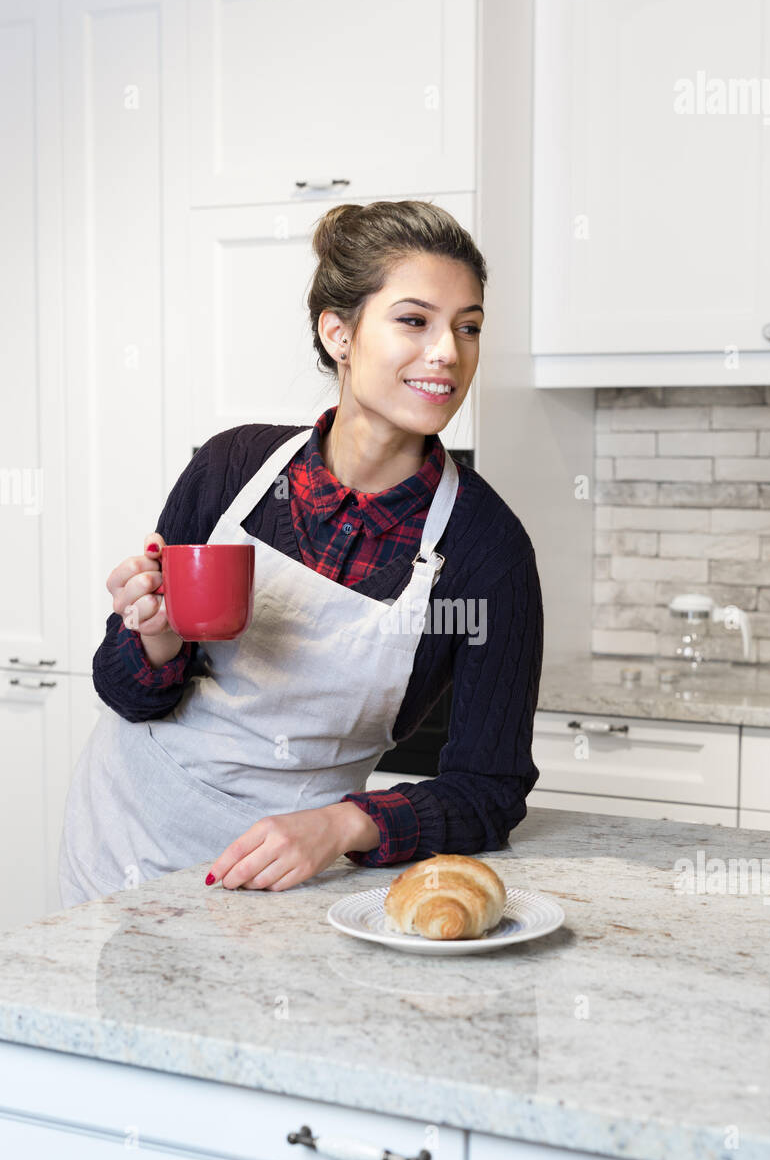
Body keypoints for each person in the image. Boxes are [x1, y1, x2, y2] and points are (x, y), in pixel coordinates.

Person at [58, 199, 543, 906]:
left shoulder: (485, 548)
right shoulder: (232, 470)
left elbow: (490, 790)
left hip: (287, 874)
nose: (448, 352)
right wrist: (153, 641)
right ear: (338, 333)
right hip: (118, 838)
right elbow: (122, 690)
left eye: (468, 328)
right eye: (415, 320)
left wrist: (342, 826)